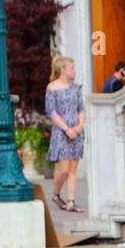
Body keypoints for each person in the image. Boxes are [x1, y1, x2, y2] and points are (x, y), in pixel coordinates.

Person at [45, 55, 86, 212]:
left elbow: (81, 108)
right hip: (61, 132)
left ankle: (71, 200)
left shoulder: (76, 88)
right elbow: (52, 111)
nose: (74, 71)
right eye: (71, 68)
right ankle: (56, 194)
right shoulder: (52, 88)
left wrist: (79, 126)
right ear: (63, 70)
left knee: (73, 167)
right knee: (63, 168)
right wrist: (66, 129)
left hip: (76, 130)